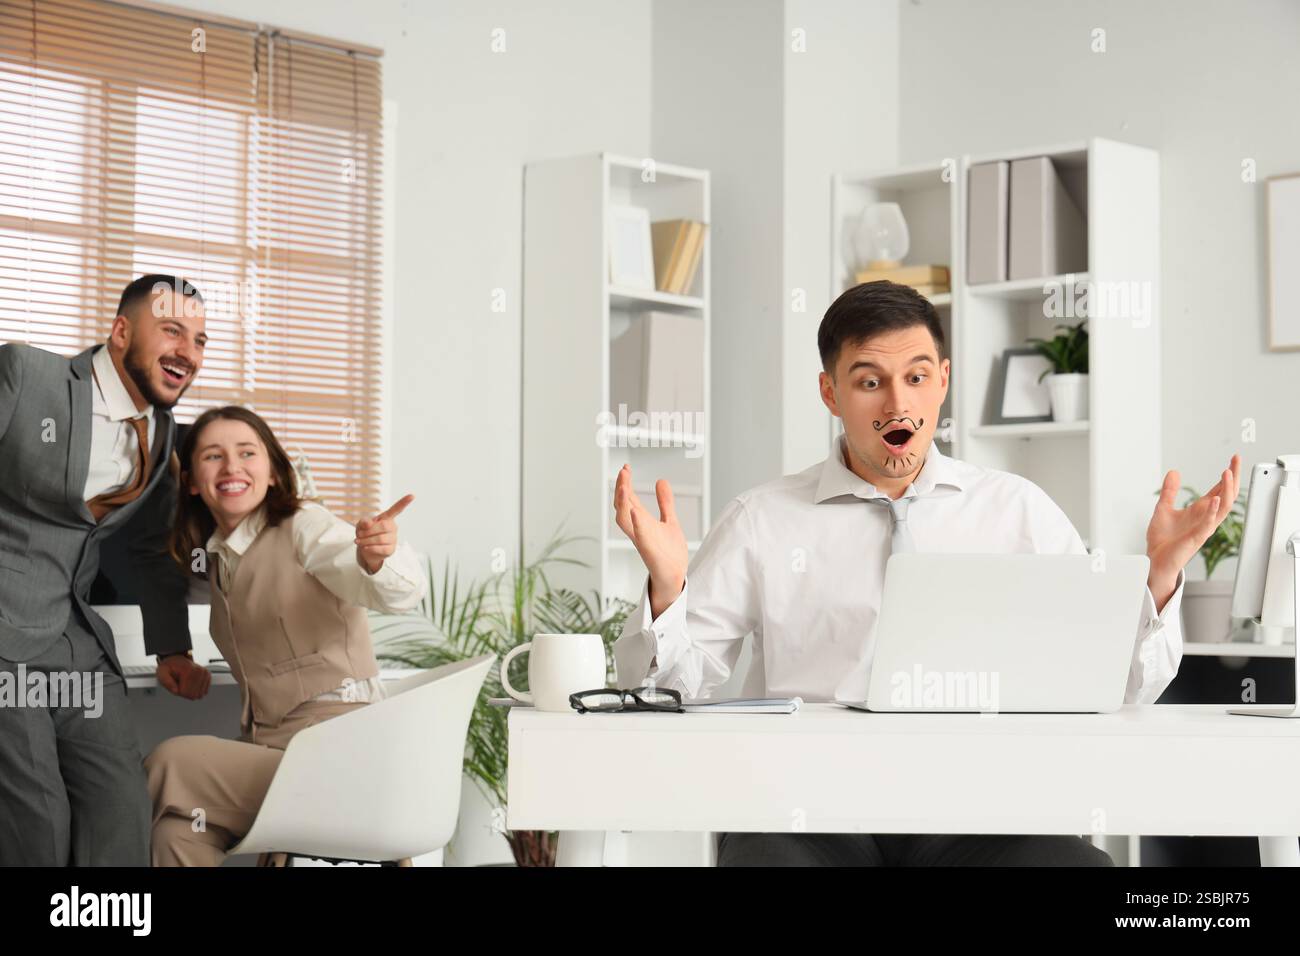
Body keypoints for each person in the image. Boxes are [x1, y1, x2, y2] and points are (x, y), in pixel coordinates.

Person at [611, 280, 1241, 867]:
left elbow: (1127, 687)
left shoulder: (1017, 509)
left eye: (916, 377)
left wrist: (1158, 578)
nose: (898, 402)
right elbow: (666, 690)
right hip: (808, 808)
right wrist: (669, 589)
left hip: (982, 810)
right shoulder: (761, 519)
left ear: (942, 381)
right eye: (869, 382)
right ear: (830, 392)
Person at [144, 405, 426, 866]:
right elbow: (157, 572)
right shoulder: (218, 557)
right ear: (192, 480)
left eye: (247, 453)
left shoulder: (304, 526)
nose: (232, 467)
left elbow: (394, 590)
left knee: (168, 762)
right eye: (213, 456)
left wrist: (379, 558)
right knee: (179, 830)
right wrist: (173, 652)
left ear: (273, 472)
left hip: (340, 755)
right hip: (275, 754)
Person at [0, 274, 210, 866]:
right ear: (120, 332)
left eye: (199, 340)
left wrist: (171, 649)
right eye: (171, 330)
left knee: (121, 805)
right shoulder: (26, 376)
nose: (187, 352)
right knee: (38, 819)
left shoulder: (162, 433)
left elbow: (145, 550)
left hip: (76, 640)